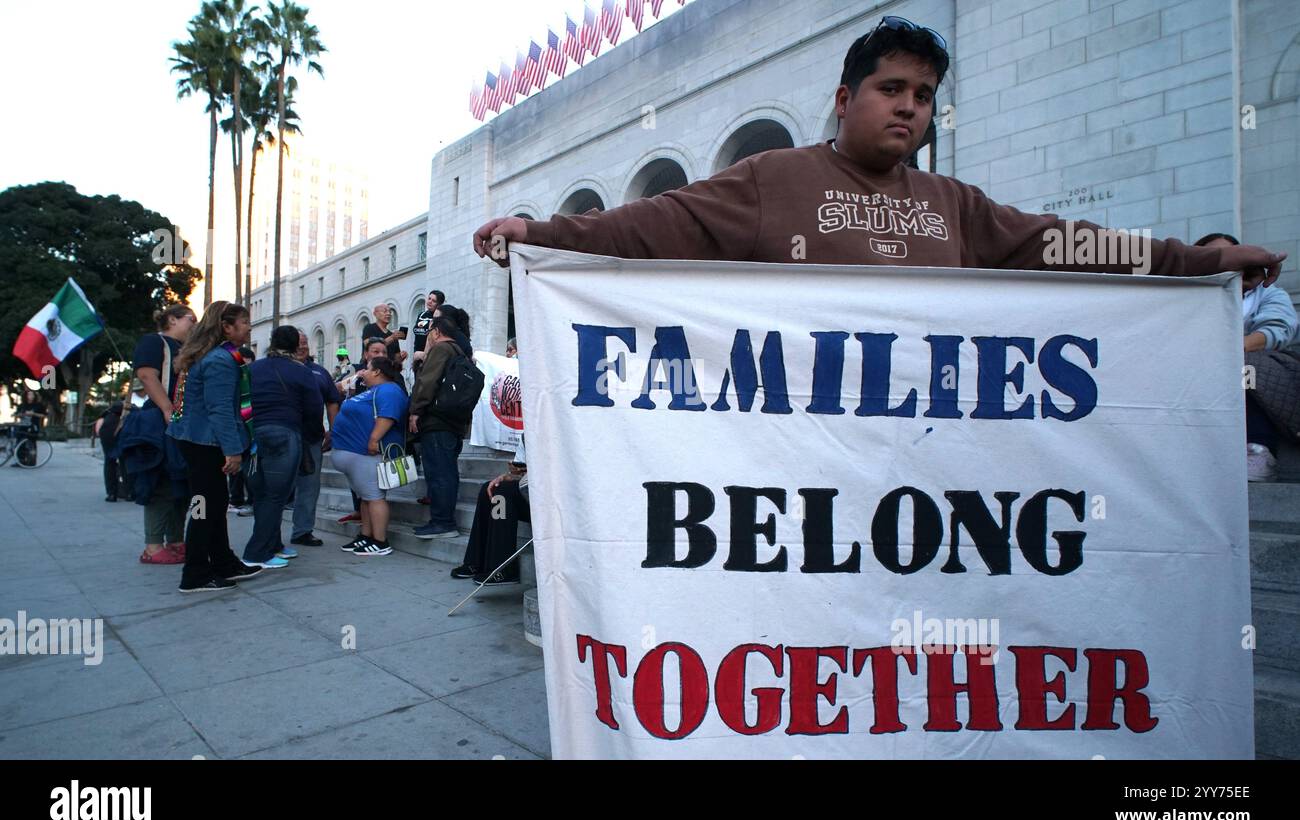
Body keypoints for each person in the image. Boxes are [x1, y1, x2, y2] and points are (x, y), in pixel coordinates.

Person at [474, 17, 1285, 286]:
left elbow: (1064, 245)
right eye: (892, 88)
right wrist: (536, 229)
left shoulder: (954, 207)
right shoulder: (770, 178)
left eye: (924, 96)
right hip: (801, 463)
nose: (909, 107)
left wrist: (1196, 262)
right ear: (844, 97)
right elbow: (646, 225)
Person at [167, 301, 263, 592]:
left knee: (214, 504)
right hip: (206, 443)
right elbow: (220, 409)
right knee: (205, 507)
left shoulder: (209, 356)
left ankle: (223, 562)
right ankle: (195, 573)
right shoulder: (220, 361)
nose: (249, 327)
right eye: (244, 322)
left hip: (196, 440)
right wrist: (232, 450)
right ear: (226, 326)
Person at [1196, 233, 1300, 481]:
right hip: (1200, 365)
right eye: (1213, 257)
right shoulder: (1188, 294)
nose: (1223, 262)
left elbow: (1278, 329)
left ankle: (1258, 449)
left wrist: (1229, 349)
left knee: (1242, 368)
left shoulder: (1267, 293)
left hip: (1254, 363)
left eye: (1229, 255)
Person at [121, 304, 197, 565]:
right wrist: (167, 408)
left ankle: (176, 541)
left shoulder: (186, 349)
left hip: (183, 423)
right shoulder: (154, 342)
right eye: (191, 319)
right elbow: (146, 374)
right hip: (161, 422)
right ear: (172, 319)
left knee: (181, 484)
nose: (194, 325)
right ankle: (153, 546)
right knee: (161, 482)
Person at [243, 325, 324, 569]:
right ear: (294, 345)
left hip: (254, 436)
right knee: (275, 496)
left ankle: (273, 544)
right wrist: (312, 437)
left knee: (262, 494)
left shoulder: (253, 369)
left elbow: (241, 401)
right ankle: (257, 552)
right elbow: (313, 408)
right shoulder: (301, 372)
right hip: (284, 435)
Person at [329, 356, 409, 556]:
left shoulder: (389, 389)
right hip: (353, 453)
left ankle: (380, 542)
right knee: (366, 498)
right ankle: (366, 537)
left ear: (377, 372)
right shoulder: (370, 391)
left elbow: (387, 416)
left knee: (374, 497)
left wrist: (374, 439)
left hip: (369, 453)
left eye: (367, 368)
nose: (362, 372)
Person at [409, 316, 471, 540]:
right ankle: (442, 520)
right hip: (454, 423)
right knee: (446, 471)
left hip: (437, 423)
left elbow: (427, 381)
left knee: (439, 473)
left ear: (435, 332)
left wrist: (415, 410)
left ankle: (443, 522)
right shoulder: (459, 351)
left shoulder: (442, 349)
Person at [453, 435, 528, 586]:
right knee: (492, 489)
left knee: (504, 493)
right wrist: (510, 475)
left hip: (553, 500)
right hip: (530, 490)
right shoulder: (528, 434)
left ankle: (503, 568)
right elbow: (520, 472)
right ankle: (476, 561)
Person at [290, 330, 342, 546]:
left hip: (312, 439)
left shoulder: (320, 372)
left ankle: (302, 531)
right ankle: (269, 536)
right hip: (284, 438)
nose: (302, 347)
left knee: (310, 485)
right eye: (298, 343)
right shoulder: (280, 369)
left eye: (305, 343)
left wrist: (333, 429)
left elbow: (332, 401)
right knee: (279, 487)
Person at [228, 346, 257, 516]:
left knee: (248, 467)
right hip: (236, 429)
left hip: (248, 428)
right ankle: (236, 498)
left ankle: (247, 500)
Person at [95, 399, 127, 501]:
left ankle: (111, 494)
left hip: (107, 437)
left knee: (109, 463)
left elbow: (98, 431)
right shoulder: (127, 416)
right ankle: (130, 493)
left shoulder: (105, 416)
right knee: (125, 463)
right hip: (123, 436)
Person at [411, 290, 445, 376]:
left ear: (439, 304)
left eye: (433, 301)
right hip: (418, 357)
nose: (429, 301)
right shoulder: (421, 315)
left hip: (431, 358)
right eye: (429, 298)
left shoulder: (441, 318)